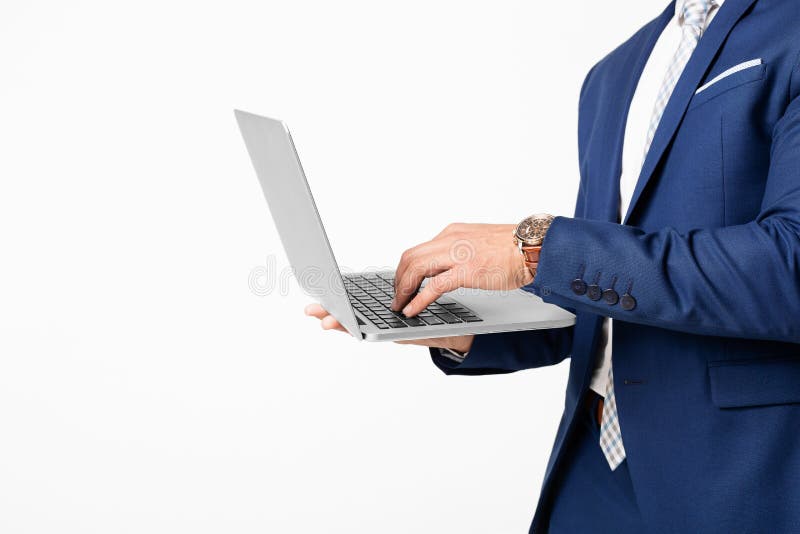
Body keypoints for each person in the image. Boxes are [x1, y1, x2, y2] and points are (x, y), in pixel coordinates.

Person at [305, 0, 800, 531]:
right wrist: (463, 326)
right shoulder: (612, 74)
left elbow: (788, 268)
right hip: (589, 468)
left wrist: (537, 248)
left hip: (733, 475)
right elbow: (601, 298)